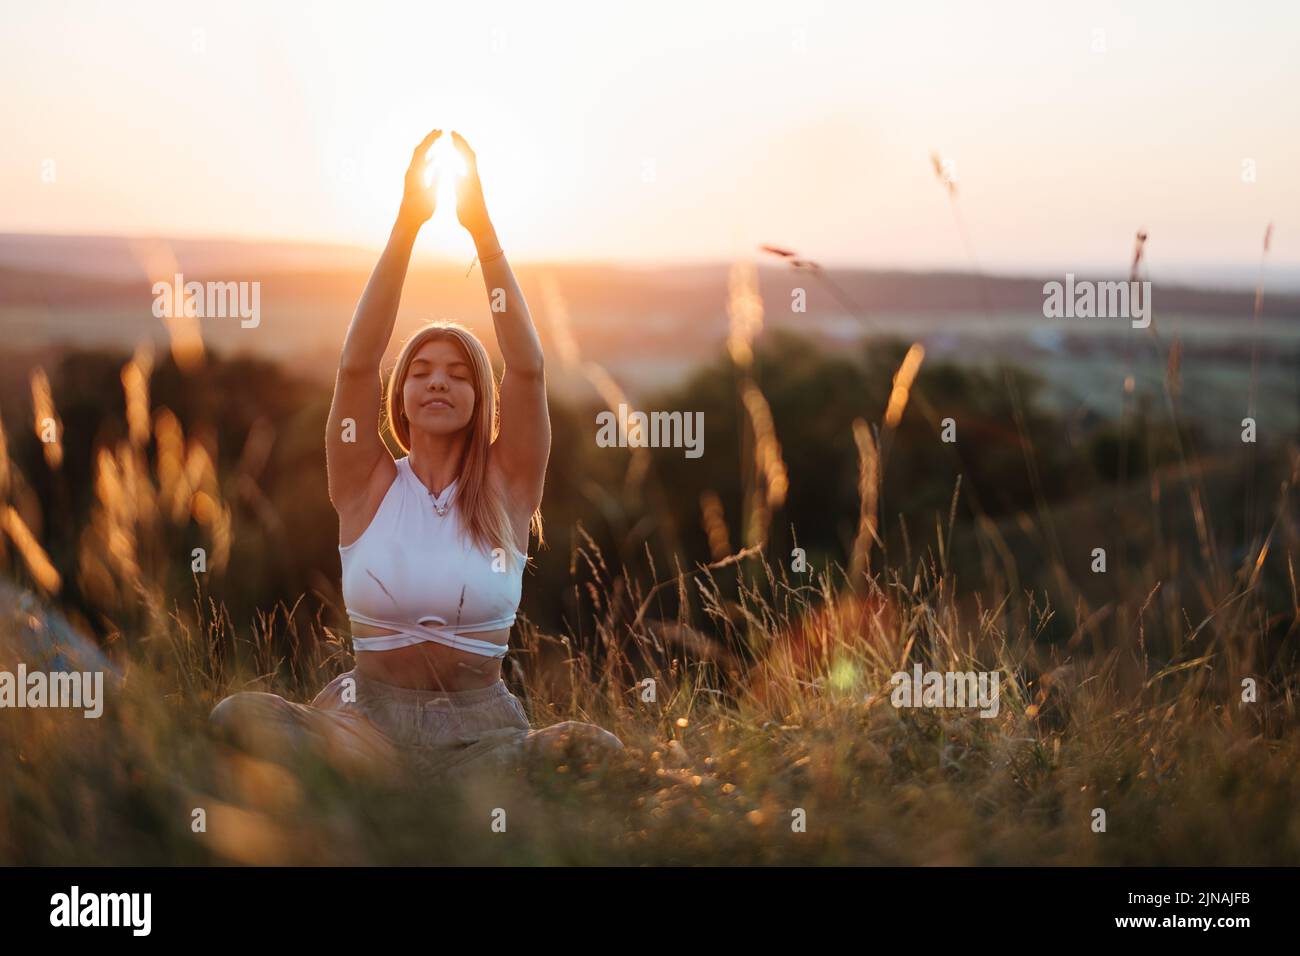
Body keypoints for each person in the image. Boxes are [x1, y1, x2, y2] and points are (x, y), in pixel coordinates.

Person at [210, 129, 623, 779]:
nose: (438, 381)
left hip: (482, 731)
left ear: (479, 394)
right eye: (422, 369)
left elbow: (529, 369)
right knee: (238, 715)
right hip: (366, 723)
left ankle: (430, 801)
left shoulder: (509, 488)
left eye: (458, 372)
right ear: (398, 395)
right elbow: (355, 365)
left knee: (594, 752)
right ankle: (397, 796)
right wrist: (407, 226)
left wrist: (481, 233)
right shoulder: (364, 482)